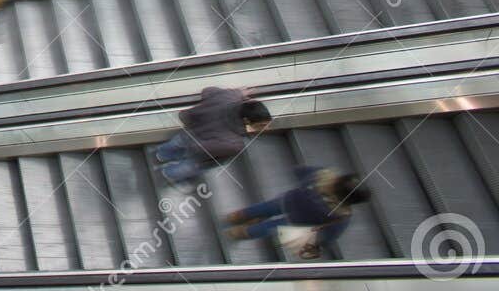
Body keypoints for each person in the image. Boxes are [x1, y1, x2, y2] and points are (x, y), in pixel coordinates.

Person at [224, 168, 370, 258]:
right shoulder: (341, 215)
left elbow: (301, 172)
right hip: (295, 222)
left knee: (263, 208)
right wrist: (322, 243)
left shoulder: (322, 176)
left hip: (286, 200)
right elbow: (330, 234)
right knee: (269, 228)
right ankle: (240, 232)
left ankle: (236, 216)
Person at [153, 88, 271, 186]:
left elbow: (207, 91)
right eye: (261, 125)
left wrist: (238, 93)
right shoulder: (234, 143)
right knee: (189, 166)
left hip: (190, 129)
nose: (265, 128)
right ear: (246, 120)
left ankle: (161, 154)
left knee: (175, 144)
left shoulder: (228, 97)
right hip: (197, 150)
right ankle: (169, 173)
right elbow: (204, 150)